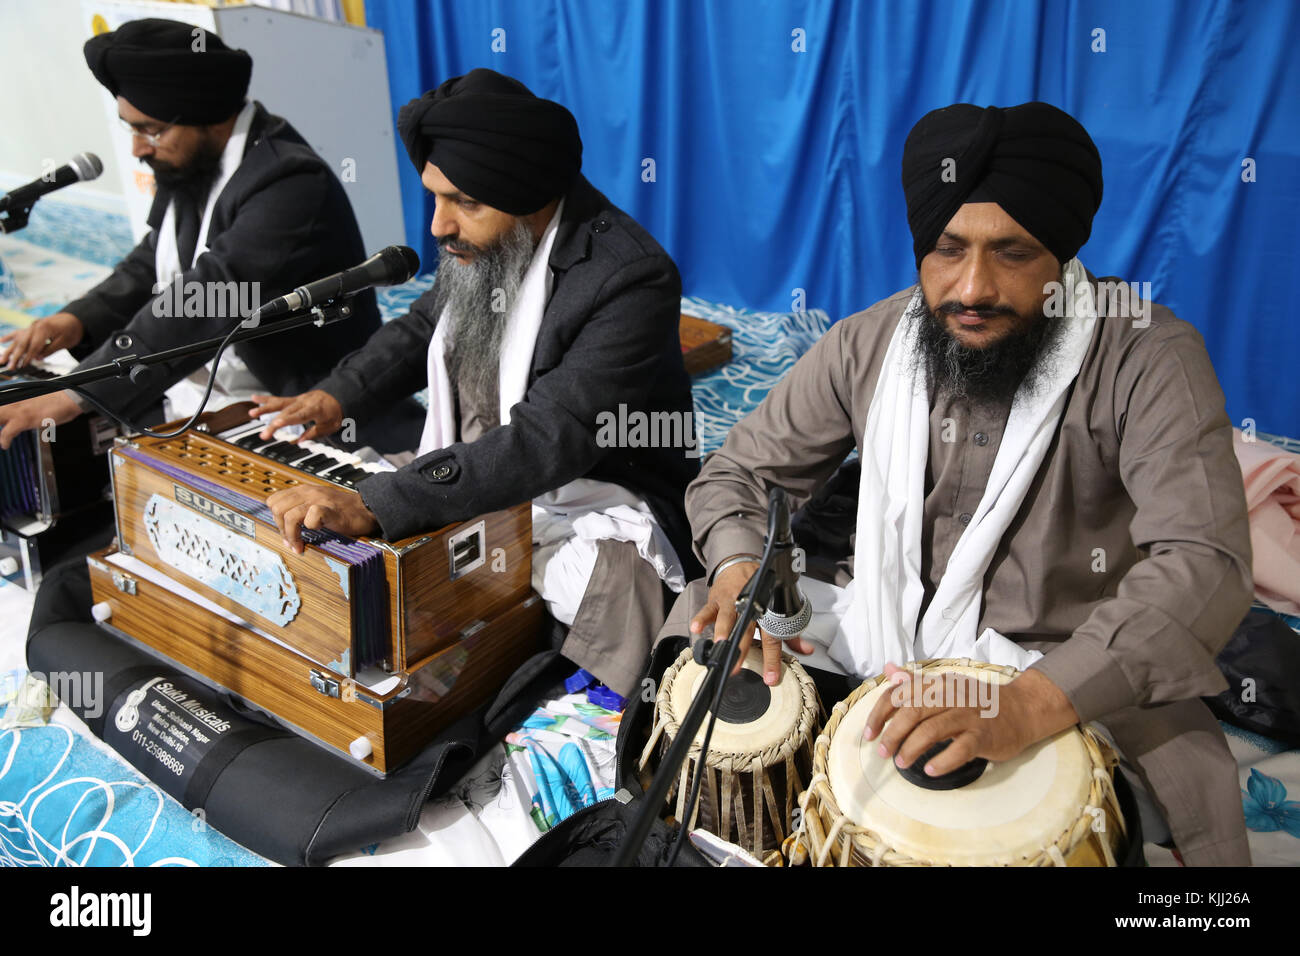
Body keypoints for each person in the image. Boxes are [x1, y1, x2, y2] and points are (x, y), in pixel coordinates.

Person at [673, 102, 1253, 865]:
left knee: (1196, 787)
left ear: (1062, 256)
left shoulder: (1148, 358)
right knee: (697, 625)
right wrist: (742, 571)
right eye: (948, 250)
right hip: (879, 619)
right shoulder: (869, 342)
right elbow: (739, 472)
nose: (972, 287)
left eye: (1012, 254)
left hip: (1059, 652)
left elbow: (1204, 561)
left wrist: (1029, 705)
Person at [253, 69, 700, 697]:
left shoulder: (630, 278)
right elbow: (420, 330)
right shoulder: (488, 246)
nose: (437, 226)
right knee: (329, 504)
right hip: (478, 455)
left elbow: (554, 436)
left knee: (608, 583)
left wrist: (380, 502)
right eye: (435, 197)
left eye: (463, 202)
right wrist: (336, 396)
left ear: (529, 195)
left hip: (592, 495)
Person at [0, 17, 380, 448]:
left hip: (292, 412)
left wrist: (79, 391)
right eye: (133, 128)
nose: (138, 148)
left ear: (208, 116)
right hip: (199, 396)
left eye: (151, 130)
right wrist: (77, 318)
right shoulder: (190, 162)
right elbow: (154, 260)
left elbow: (209, 296)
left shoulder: (291, 181)